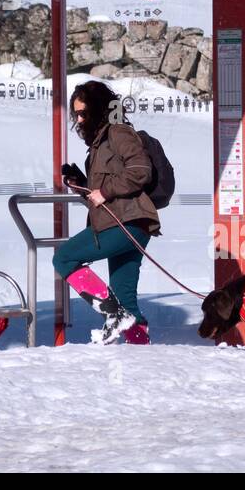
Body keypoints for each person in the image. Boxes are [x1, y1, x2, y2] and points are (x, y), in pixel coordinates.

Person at [53, 80, 159, 345]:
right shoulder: (99, 143)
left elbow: (140, 171)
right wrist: (80, 181)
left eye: (83, 113)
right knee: (127, 301)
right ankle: (144, 352)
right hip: (123, 221)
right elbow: (98, 194)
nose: (78, 120)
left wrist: (106, 191)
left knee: (64, 258)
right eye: (75, 114)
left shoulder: (119, 132)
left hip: (127, 222)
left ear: (98, 109)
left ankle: (113, 315)